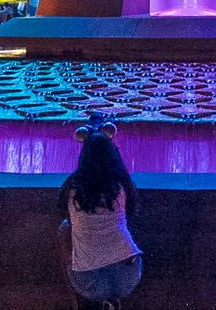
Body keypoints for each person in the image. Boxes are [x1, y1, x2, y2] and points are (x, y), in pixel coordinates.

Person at [60, 122, 143, 307]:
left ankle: (77, 304)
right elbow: (132, 210)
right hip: (128, 276)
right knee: (123, 223)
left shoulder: (72, 188)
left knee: (65, 228)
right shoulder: (120, 184)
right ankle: (116, 302)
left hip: (89, 283)